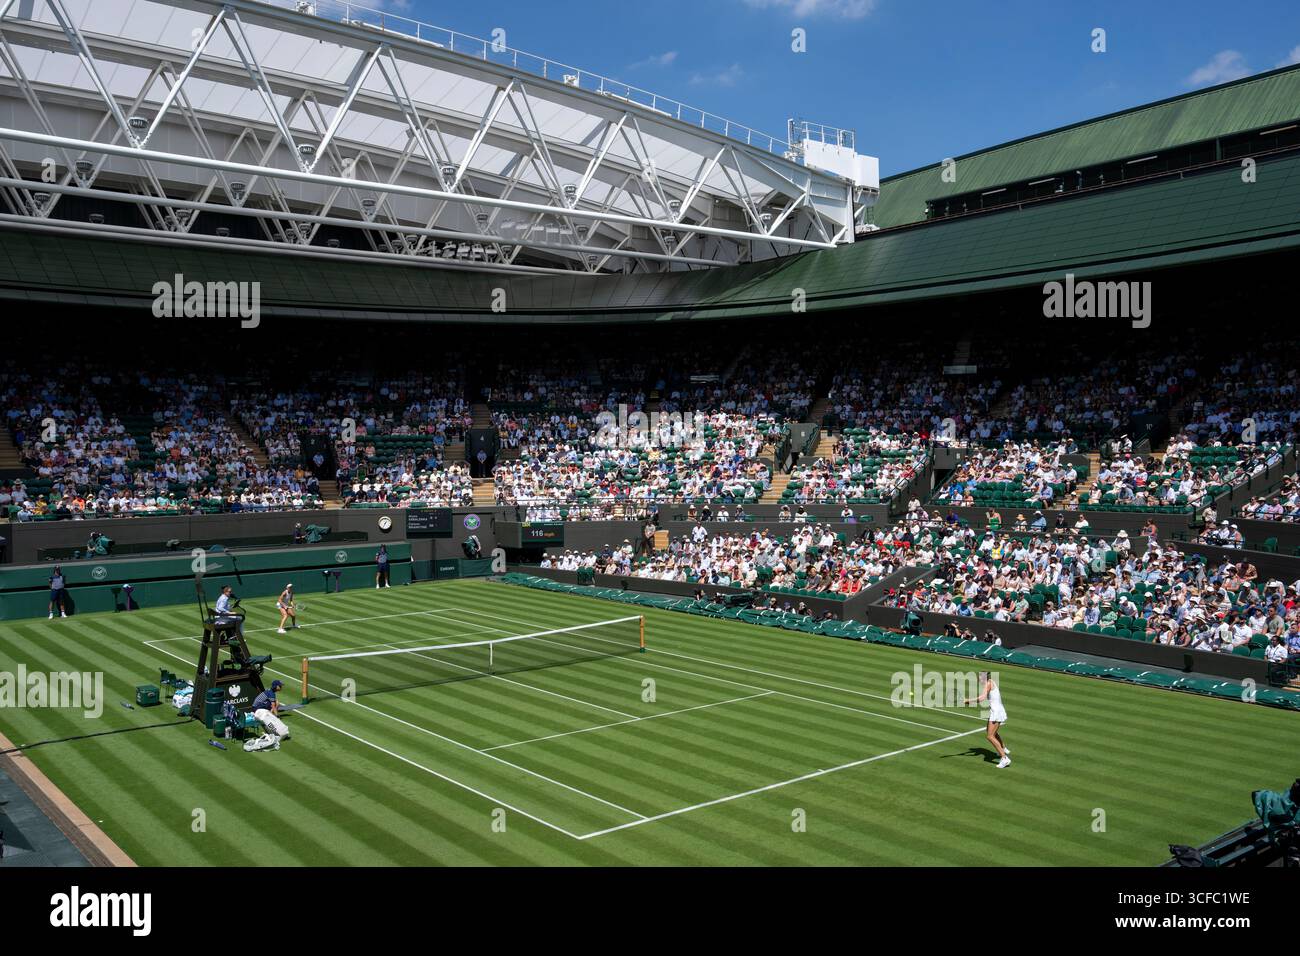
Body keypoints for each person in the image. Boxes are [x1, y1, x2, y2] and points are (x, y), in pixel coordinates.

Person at [964, 671, 1011, 768]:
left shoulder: (988, 683)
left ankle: (1004, 758)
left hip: (996, 712)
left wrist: (968, 700)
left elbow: (982, 698)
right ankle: (1003, 748)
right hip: (997, 711)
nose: (978, 679)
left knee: (990, 736)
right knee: (990, 732)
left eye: (980, 678)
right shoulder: (990, 682)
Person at [249, 679, 290, 750]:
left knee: (276, 702)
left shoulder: (270, 692)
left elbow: (274, 705)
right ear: (275, 687)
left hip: (259, 707)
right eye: (280, 686)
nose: (281, 687)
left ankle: (270, 728)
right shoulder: (271, 693)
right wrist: (277, 716)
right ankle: (273, 733)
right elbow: (273, 706)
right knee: (270, 716)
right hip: (257, 710)